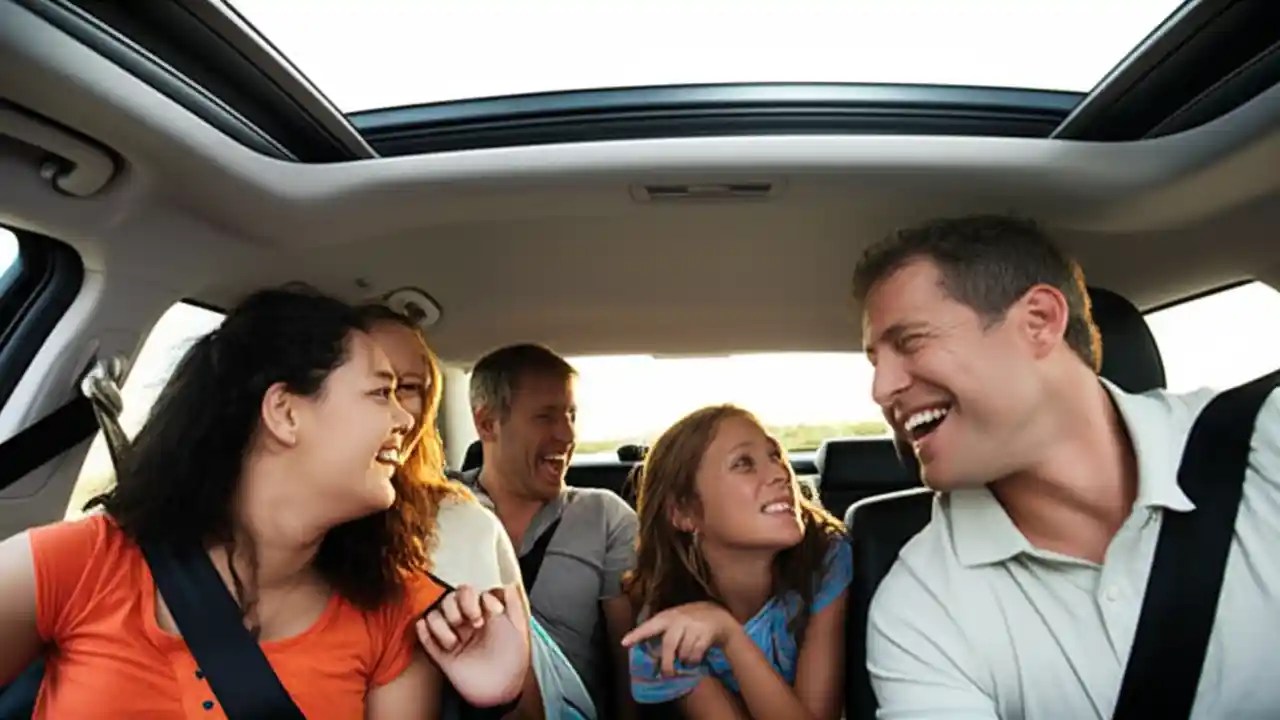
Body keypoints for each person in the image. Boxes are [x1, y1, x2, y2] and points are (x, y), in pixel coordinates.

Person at [0, 284, 527, 718]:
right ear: (286, 412)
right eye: (379, 392)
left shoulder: (395, 609)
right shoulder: (76, 564)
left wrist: (496, 702)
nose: (407, 420)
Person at [855, 215, 1280, 718]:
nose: (880, 390)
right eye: (874, 362)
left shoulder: (1267, 437)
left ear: (1038, 321)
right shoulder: (918, 607)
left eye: (910, 342)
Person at [622, 404, 850, 720]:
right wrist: (729, 637)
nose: (780, 473)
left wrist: (729, 635)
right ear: (683, 511)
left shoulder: (826, 560)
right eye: (744, 463)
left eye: (775, 456)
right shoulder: (668, 634)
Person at [455, 343, 639, 719]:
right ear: (487, 423)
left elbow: (629, 663)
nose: (567, 435)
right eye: (546, 417)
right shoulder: (437, 509)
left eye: (571, 415)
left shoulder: (605, 517)